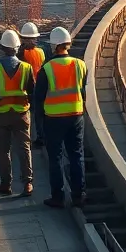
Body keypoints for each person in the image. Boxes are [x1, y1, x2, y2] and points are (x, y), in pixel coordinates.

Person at [35, 26, 87, 208]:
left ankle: (58, 197)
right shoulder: (80, 64)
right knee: (76, 156)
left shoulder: (46, 69)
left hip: (54, 119)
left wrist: (39, 126)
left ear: (54, 46)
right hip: (76, 116)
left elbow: (39, 99)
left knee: (55, 158)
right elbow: (82, 89)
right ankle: (78, 195)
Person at [0, 29, 34, 196]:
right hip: (22, 113)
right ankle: (28, 184)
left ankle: (6, 184)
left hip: (1, 115)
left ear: (1, 47)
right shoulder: (27, 68)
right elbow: (32, 92)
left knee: (3, 150)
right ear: (18, 47)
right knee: (24, 148)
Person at [18, 22, 46, 147]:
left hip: (27, 87)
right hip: (39, 85)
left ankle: (28, 137)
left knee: (29, 115)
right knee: (39, 115)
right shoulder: (41, 52)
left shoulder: (22, 54)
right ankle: (41, 136)